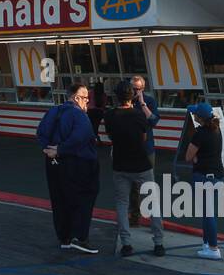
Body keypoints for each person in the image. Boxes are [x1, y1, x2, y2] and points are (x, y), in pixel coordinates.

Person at [35, 83, 100, 253]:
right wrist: (60, 150)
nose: (88, 101)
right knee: (84, 198)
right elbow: (82, 136)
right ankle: (80, 237)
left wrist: (48, 150)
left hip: (53, 163)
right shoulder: (80, 115)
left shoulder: (53, 111)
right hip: (78, 163)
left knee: (59, 199)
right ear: (76, 97)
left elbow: (41, 132)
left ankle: (65, 237)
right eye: (85, 98)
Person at [103, 80, 165, 257]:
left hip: (120, 164)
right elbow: (144, 136)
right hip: (141, 164)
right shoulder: (139, 115)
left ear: (117, 96)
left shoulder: (110, 115)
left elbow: (110, 136)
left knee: (122, 203)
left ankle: (126, 243)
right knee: (152, 202)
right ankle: (158, 242)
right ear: (132, 96)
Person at [185, 102, 224, 259]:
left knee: (208, 214)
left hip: (204, 176)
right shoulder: (217, 130)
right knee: (208, 212)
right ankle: (207, 243)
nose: (193, 115)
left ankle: (213, 248)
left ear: (199, 117)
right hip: (217, 175)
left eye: (195, 113)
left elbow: (188, 156)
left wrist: (196, 157)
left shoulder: (200, 134)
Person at [126, 75, 160, 225]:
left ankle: (154, 219)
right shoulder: (126, 101)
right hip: (131, 148)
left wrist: (143, 103)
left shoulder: (149, 101)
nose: (134, 91)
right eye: (132, 88)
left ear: (142, 89)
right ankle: (135, 216)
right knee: (134, 186)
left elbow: (154, 121)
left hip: (147, 148)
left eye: (137, 89)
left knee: (149, 184)